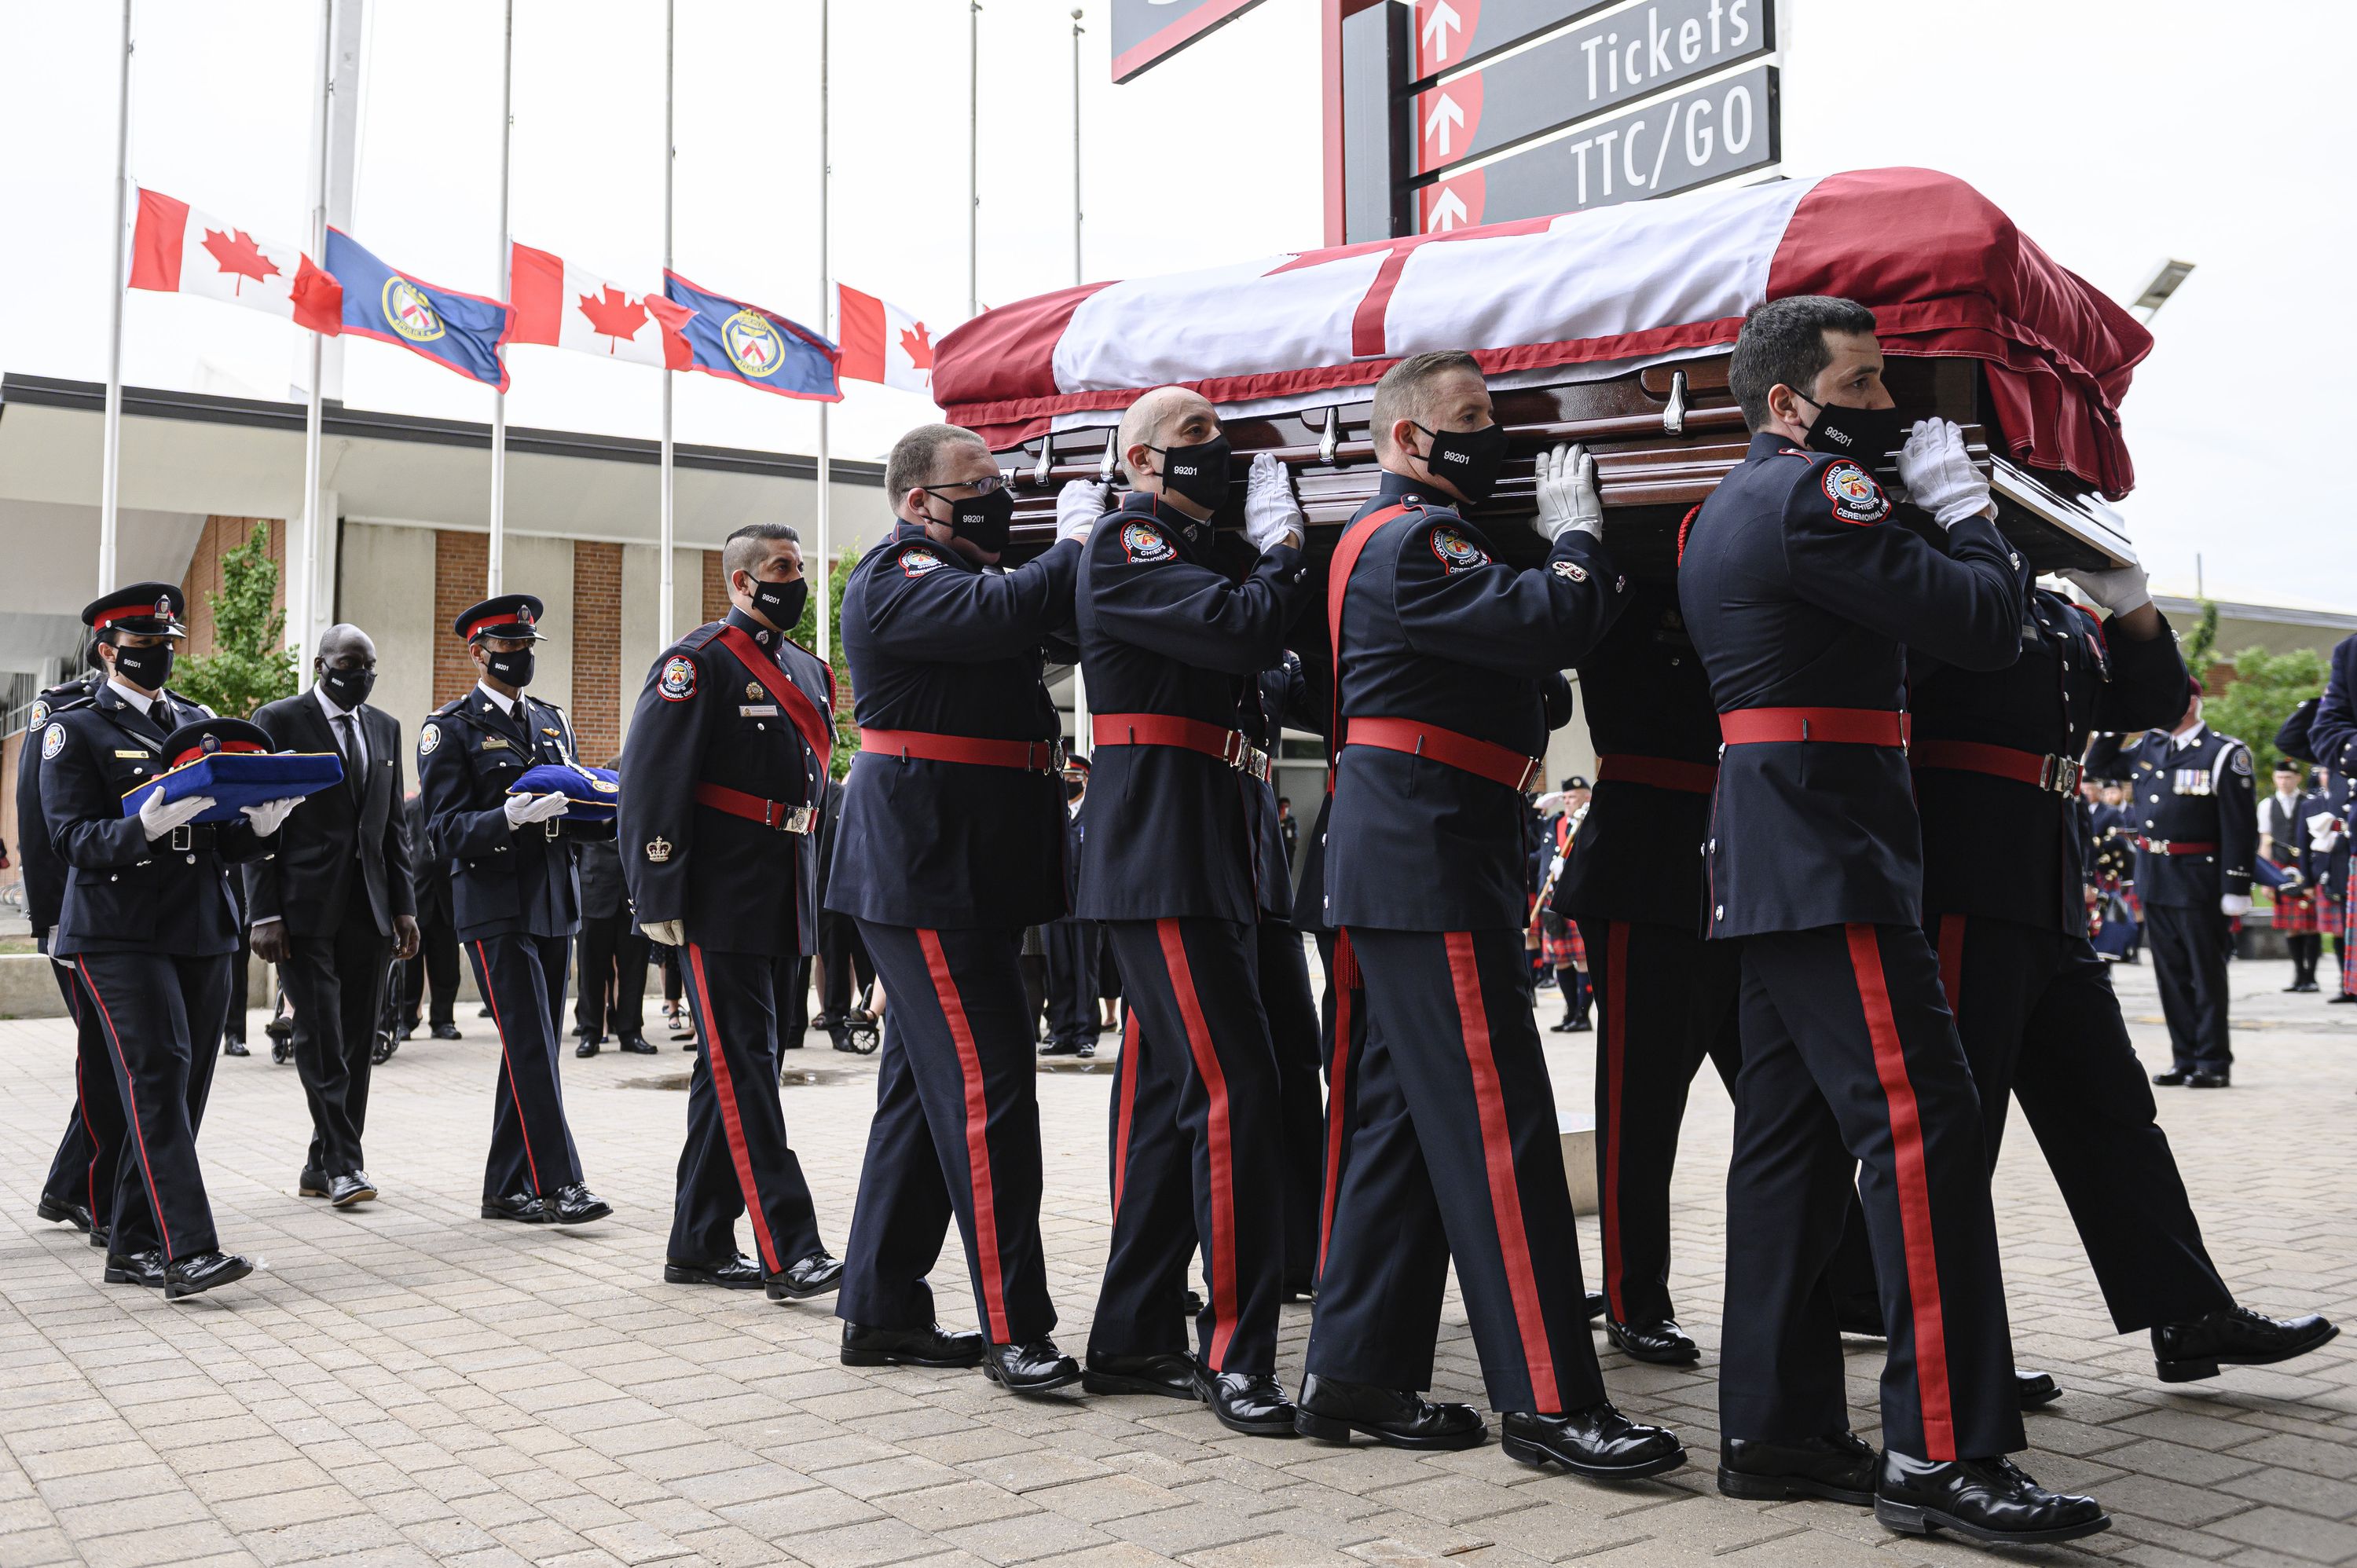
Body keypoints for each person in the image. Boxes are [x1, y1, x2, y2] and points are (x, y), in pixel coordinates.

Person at [1678, 296, 2106, 1543]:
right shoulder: (1819, 495)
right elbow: (1977, 627)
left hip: (1774, 840)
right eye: (1863, 388)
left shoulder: (1721, 509)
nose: (1889, 411)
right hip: (1830, 841)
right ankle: (1942, 1451)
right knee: (1926, 1124)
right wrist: (1972, 518)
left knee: (1790, 1144)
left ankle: (1776, 1427)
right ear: (1787, 405)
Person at [1303, 349, 1677, 1480]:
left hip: (1409, 847)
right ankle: (1551, 1402)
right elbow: (1549, 626)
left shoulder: (1404, 542)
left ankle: (1357, 1371)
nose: (1493, 433)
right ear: (1410, 437)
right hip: (1427, 851)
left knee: (1398, 1127)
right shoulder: (1420, 538)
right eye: (1470, 417)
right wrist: (1575, 545)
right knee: (1498, 1125)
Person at [828, 420, 1089, 1394]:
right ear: (916, 501)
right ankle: (1013, 1326)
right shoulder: (895, 576)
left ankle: (881, 1308)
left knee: (919, 1098)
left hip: (963, 869)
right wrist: (1078, 534)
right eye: (975, 483)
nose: (997, 493)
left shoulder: (972, 578)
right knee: (988, 1095)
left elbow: (1047, 621)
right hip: (927, 873)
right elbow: (1016, 608)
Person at [1072, 386, 1309, 1435]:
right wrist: (1285, 550)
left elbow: (1259, 668)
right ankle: (1236, 1355)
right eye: (1195, 439)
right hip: (1163, 855)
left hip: (1210, 849)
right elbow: (1249, 628)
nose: (1220, 453)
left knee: (1185, 1104)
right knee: (1238, 1097)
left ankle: (1131, 1338)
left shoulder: (1193, 553)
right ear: (1137, 460)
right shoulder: (1130, 542)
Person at [44, 583, 306, 1298]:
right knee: (156, 1075)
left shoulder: (193, 723)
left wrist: (258, 829)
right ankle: (186, 1249)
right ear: (108, 651)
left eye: (167, 645)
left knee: (186, 1086)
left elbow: (216, 842)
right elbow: (72, 840)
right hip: (119, 930)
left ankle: (131, 1245)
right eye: (144, 647)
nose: (161, 656)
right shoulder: (75, 730)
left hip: (198, 924)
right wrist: (143, 828)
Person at [620, 525, 843, 1302]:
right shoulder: (699, 663)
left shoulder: (810, 672)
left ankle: (700, 1242)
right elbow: (652, 781)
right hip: (717, 894)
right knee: (745, 1071)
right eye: (781, 568)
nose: (797, 579)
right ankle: (790, 1248)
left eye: (800, 567)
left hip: (785, 887)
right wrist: (657, 894)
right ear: (741, 582)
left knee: (738, 1070)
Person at [1552, 583, 1738, 1368]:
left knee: (1789, 1098)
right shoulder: (1626, 600)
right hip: (1646, 868)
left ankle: (1851, 1279)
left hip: (1738, 865)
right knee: (1640, 1105)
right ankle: (1635, 1297)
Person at [416, 593, 614, 1227]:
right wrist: (505, 817)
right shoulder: (449, 728)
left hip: (554, 899)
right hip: (495, 901)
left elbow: (574, 812)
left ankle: (505, 1188)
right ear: (479, 652)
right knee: (530, 1044)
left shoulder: (552, 722)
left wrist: (603, 811)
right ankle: (560, 1184)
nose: (521, 656)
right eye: (509, 648)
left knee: (534, 1049)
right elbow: (442, 831)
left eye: (528, 647)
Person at [247, 625, 420, 1209]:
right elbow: (258, 819)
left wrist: (404, 908)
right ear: (323, 665)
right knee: (319, 1034)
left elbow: (393, 829)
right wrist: (263, 910)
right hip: (299, 911)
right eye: (351, 664)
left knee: (356, 1042)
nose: (362, 675)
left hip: (367, 910)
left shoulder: (385, 727)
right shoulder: (279, 720)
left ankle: (322, 1163)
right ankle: (347, 1165)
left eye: (370, 665)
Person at [2084, 682, 2257, 1087]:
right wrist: (2121, 721)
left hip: (2200, 878)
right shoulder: (2151, 747)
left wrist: (2237, 885)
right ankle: (2185, 1057)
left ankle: (2213, 1061)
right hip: (2156, 876)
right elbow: (2099, 765)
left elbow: (2240, 827)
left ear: (2192, 704)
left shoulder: (2225, 754)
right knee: (2171, 974)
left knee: (2205, 973)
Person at [25, 661, 123, 1246]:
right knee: (105, 1061)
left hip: (129, 918)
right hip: (80, 918)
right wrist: (53, 919)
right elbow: (40, 823)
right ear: (107, 653)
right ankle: (95, 1191)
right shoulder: (60, 710)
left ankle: (70, 1186)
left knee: (115, 1060)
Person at [573, 758, 654, 1056]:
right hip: (595, 897)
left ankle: (631, 1032)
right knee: (592, 971)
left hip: (633, 900)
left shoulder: (645, 807)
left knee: (634, 971)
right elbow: (575, 852)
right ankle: (591, 1033)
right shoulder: (589, 808)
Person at [1040, 755, 1099, 1059]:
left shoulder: (1094, 813)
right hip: (1056, 906)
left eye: (1073, 776)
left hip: (1085, 909)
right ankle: (1060, 1031)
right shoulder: (1054, 813)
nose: (1067, 781)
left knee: (1084, 973)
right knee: (1058, 972)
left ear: (1085, 779)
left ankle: (1086, 1033)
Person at [398, 786, 462, 1041]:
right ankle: (406, 1020)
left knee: (447, 965)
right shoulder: (410, 810)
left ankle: (443, 1020)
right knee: (409, 967)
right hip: (416, 898)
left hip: (446, 898)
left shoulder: (454, 808)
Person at [2263, 757, 2326, 991]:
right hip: (2280, 869)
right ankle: (2298, 975)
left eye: (2289, 777)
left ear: (2298, 778)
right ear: (2274, 779)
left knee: (2311, 924)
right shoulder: (2267, 805)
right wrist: (2266, 878)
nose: (2284, 782)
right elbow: (2264, 842)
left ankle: (2312, 977)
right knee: (2292, 926)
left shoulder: (2310, 802)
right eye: (2280, 777)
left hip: (2305, 867)